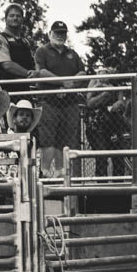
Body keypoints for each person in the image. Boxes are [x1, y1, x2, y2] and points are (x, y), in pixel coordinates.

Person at [33, 21, 85, 177]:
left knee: (66, 141)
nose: (60, 36)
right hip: (48, 102)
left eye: (63, 33)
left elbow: (82, 73)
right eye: (57, 32)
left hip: (70, 104)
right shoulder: (42, 51)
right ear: (50, 34)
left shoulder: (72, 53)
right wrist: (62, 82)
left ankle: (61, 174)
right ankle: (45, 174)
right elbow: (41, 72)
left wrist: (69, 86)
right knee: (47, 140)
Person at [0, 3, 39, 82]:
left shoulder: (24, 41)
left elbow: (33, 63)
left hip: (26, 85)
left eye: (18, 16)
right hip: (8, 86)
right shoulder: (0, 39)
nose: (15, 18)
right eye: (11, 16)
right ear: (5, 19)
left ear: (22, 19)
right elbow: (7, 65)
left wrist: (37, 73)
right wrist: (28, 74)